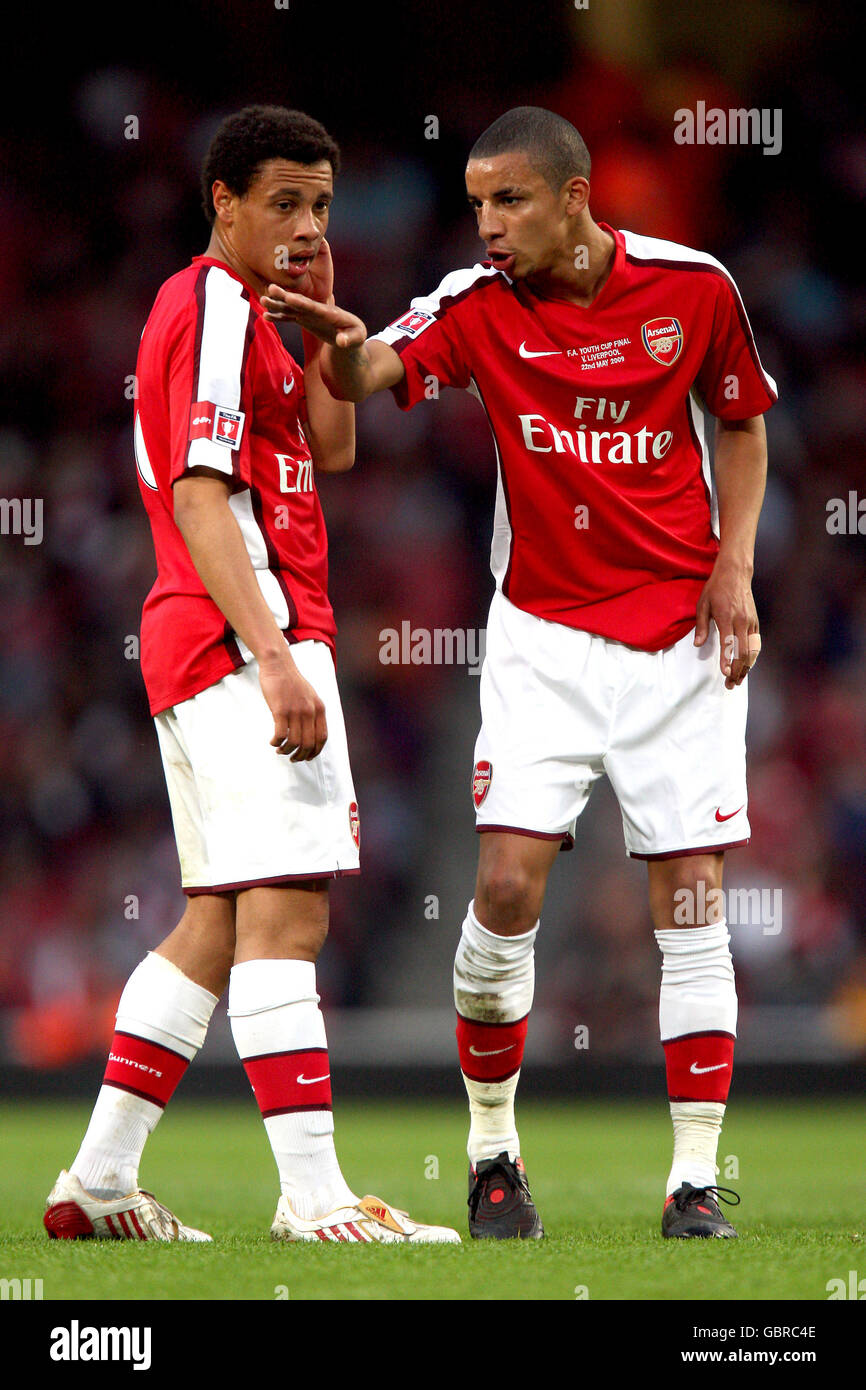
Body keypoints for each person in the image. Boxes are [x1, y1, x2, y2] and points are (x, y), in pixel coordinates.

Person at [261, 105, 777, 1241]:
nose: (487, 225)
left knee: (689, 900)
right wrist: (334, 344)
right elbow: (369, 373)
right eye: (476, 204)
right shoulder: (473, 303)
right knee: (499, 889)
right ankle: (492, 1154)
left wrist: (733, 567)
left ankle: (693, 1180)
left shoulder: (693, 289)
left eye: (509, 201)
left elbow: (738, 425)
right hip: (543, 638)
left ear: (576, 197)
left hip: (681, 640)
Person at [43, 104, 458, 1246]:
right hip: (243, 636)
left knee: (219, 924)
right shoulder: (216, 306)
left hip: (203, 636)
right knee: (290, 910)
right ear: (220, 201)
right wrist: (274, 659)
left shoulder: (234, 315)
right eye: (282, 202)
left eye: (320, 205)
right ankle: (316, 1200)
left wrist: (335, 340)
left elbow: (330, 448)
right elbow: (196, 493)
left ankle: (97, 1181)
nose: (304, 225)